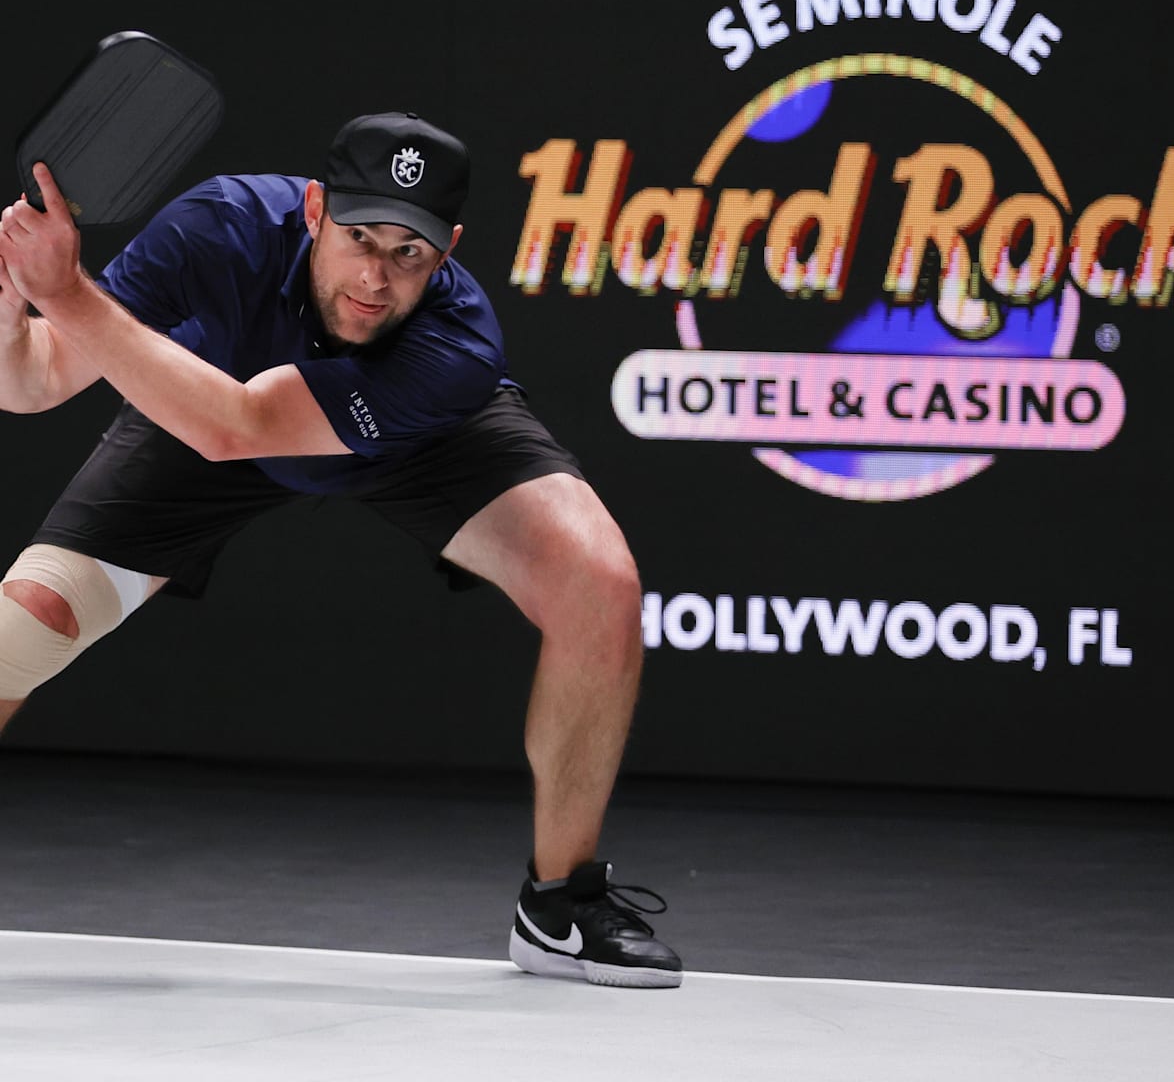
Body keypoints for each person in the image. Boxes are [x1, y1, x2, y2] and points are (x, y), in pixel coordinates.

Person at [0, 112, 682, 989]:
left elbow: (241, 428)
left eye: (410, 252)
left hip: (402, 430)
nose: (376, 277)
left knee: (601, 582)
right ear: (315, 208)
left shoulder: (455, 345)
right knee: (30, 621)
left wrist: (64, 292)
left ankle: (560, 906)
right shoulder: (223, 226)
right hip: (208, 399)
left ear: (451, 249)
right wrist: (16, 292)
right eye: (361, 238)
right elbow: (31, 381)